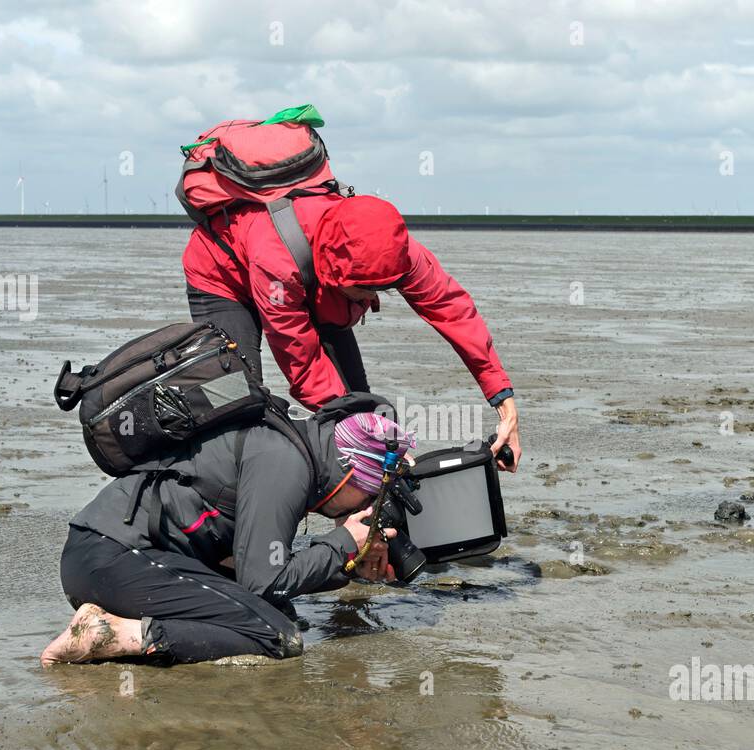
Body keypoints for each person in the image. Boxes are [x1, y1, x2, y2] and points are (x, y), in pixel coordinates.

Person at [39, 411, 414, 666]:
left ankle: (116, 620)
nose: (367, 507)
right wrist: (345, 543)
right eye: (369, 497)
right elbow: (264, 581)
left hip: (106, 556)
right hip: (114, 557)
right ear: (349, 473)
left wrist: (348, 562)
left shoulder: (292, 446)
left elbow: (253, 567)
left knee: (278, 614)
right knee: (276, 635)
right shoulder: (286, 463)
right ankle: (110, 633)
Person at [182, 194, 522, 471]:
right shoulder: (280, 262)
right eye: (367, 292)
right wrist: (369, 440)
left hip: (311, 281)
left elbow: (454, 310)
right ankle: (215, 492)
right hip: (223, 278)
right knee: (233, 397)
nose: (374, 299)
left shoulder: (393, 249)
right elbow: (304, 367)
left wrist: (504, 404)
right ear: (339, 277)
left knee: (363, 406)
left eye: (382, 289)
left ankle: (366, 518)